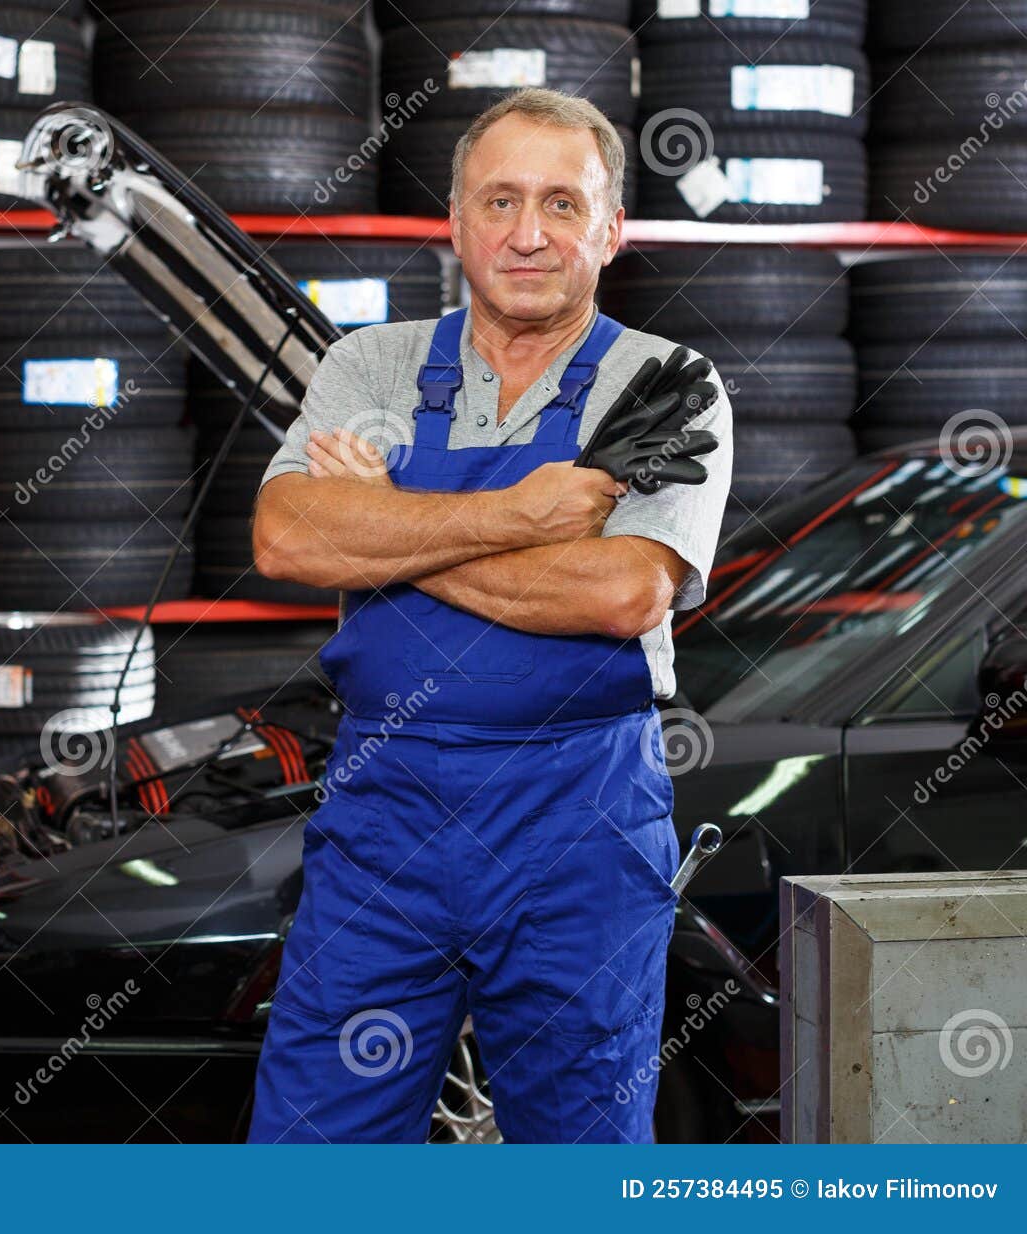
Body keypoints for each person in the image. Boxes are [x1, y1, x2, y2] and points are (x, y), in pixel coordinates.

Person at [246, 87, 734, 1144]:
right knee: (310, 1153)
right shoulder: (366, 365)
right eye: (499, 200)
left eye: (563, 204)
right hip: (385, 818)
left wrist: (384, 524)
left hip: (580, 828)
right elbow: (287, 538)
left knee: (582, 1160)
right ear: (456, 222)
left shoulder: (664, 385)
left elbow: (620, 592)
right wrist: (522, 515)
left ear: (611, 229)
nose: (526, 233)